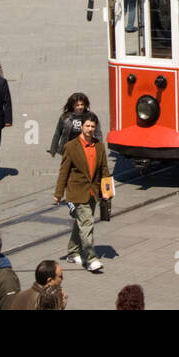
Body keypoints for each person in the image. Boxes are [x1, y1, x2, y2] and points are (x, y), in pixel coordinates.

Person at [53, 111, 110, 273]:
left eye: (93, 126)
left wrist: (106, 190)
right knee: (87, 224)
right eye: (87, 126)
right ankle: (91, 259)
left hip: (93, 192)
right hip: (77, 191)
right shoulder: (71, 147)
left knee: (81, 223)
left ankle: (72, 252)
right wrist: (58, 193)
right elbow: (63, 172)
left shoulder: (99, 146)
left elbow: (104, 170)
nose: (90, 129)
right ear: (82, 127)